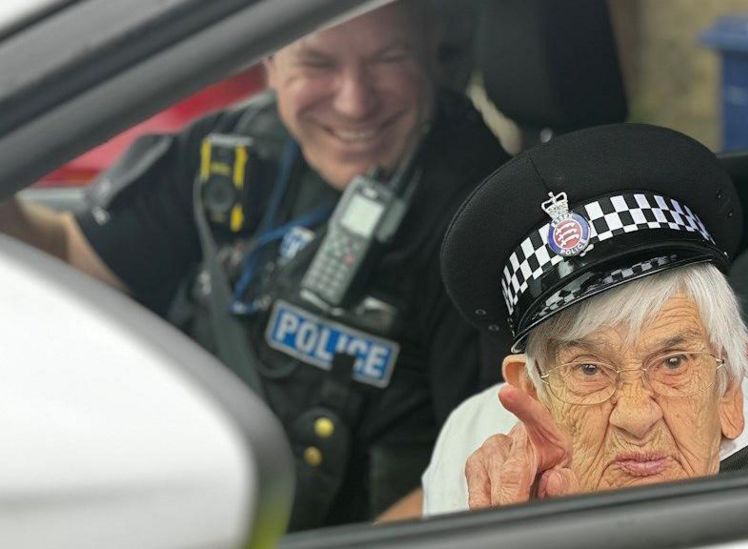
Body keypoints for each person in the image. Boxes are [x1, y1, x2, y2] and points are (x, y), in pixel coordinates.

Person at [0, 1, 509, 529]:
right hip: (169, 506)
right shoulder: (230, 149)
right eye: (317, 64)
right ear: (269, 60)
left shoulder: (481, 223)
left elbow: (486, 464)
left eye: (388, 59)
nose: (355, 102)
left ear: (431, 52)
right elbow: (69, 255)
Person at [425, 123, 748, 514]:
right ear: (532, 393)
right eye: (589, 369)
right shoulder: (472, 443)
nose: (636, 416)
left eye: (673, 362)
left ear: (729, 384)